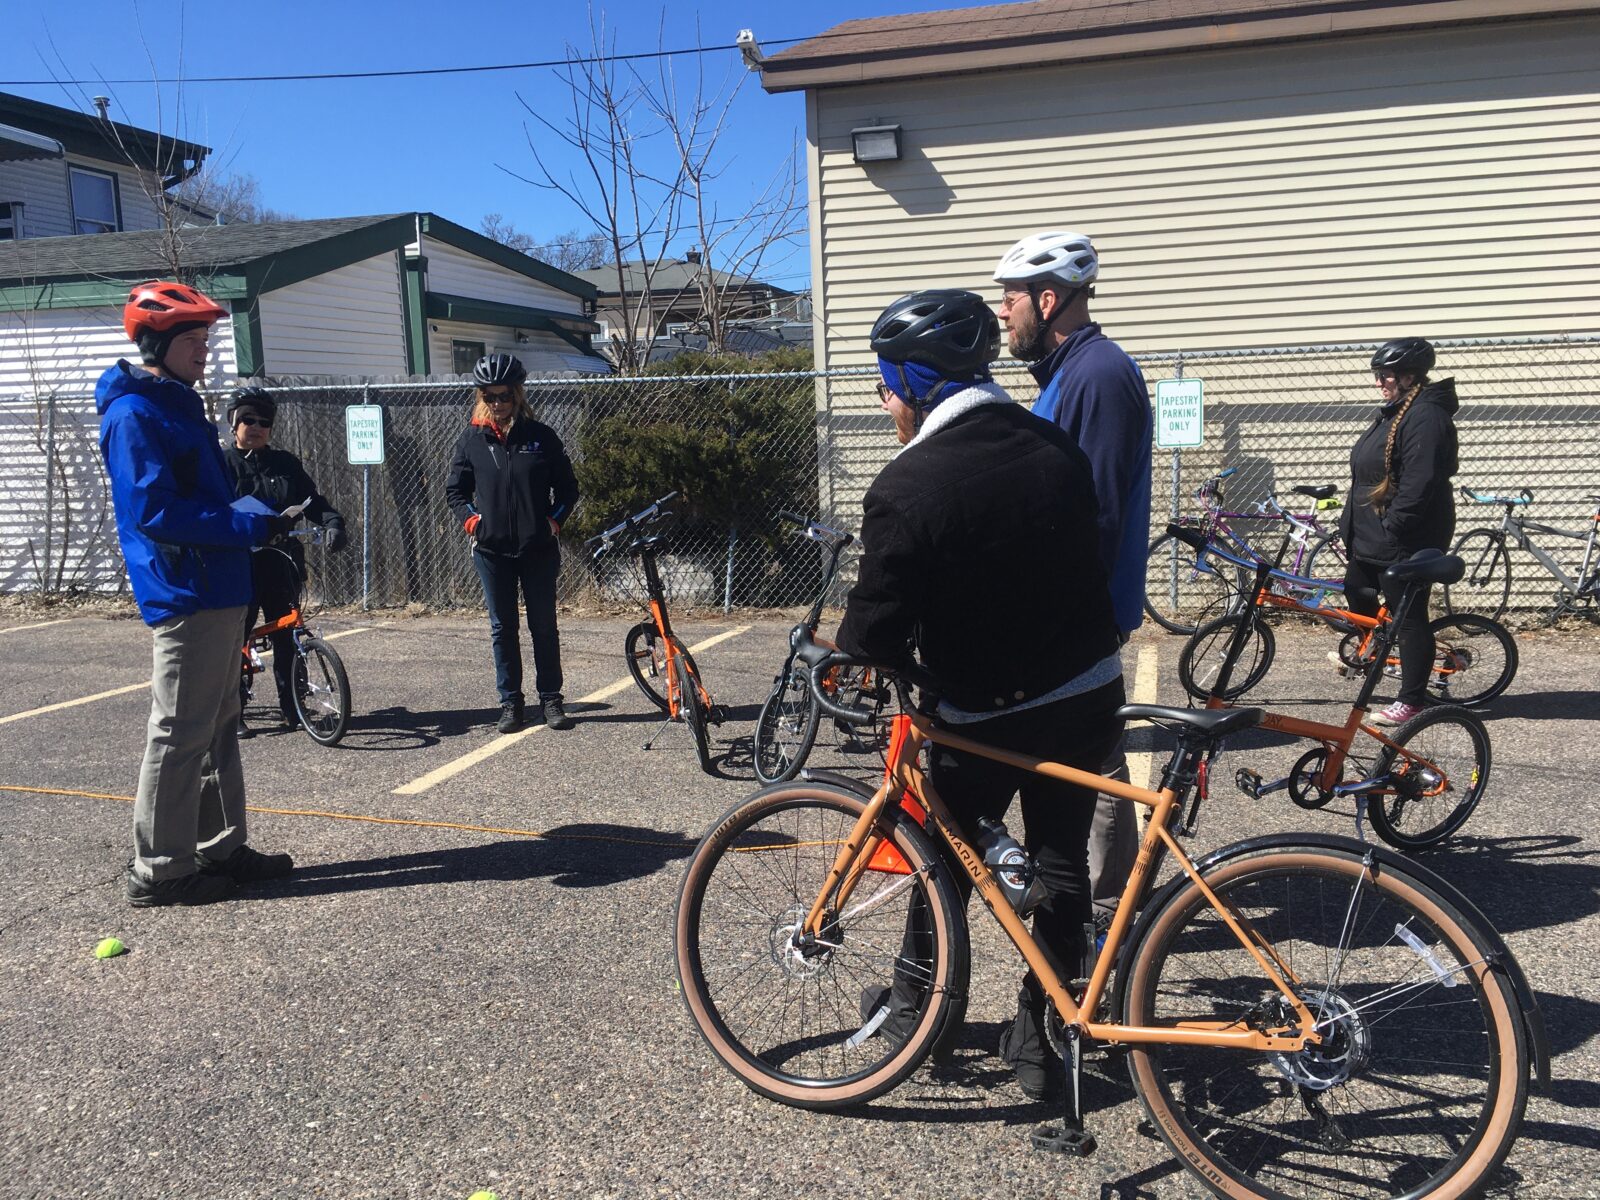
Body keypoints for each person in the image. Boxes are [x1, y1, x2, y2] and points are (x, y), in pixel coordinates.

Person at [835, 290, 1126, 1100]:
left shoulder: (909, 484)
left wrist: (844, 658)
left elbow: (876, 634)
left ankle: (911, 1022)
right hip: (1087, 689)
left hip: (990, 709)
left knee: (939, 857)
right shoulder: (1052, 444)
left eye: (885, 386)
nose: (885, 403)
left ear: (914, 386)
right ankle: (1042, 1041)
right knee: (1063, 862)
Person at [97, 281, 295, 907]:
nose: (205, 350)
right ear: (158, 341)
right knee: (179, 732)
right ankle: (160, 869)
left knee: (217, 727)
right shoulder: (135, 415)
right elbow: (154, 510)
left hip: (219, 585)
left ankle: (219, 848)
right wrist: (244, 524)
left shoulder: (178, 405)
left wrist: (250, 513)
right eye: (194, 339)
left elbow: (199, 500)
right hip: (186, 593)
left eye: (206, 339)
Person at [993, 231, 1151, 922]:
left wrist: (1054, 615)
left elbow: (1095, 513)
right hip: (1071, 610)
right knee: (1087, 757)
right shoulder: (1069, 373)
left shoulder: (1095, 376)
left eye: (1010, 298)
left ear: (1048, 299)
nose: (1003, 312)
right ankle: (1106, 904)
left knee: (1096, 763)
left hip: (1078, 614)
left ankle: (1111, 914)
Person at [446, 353, 579, 734]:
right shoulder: (472, 439)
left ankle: (551, 699)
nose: (498, 404)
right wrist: (473, 522)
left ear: (518, 395)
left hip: (537, 549)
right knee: (502, 629)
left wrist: (553, 522)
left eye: (504, 396)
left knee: (544, 626)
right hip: (492, 552)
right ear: (481, 397)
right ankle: (511, 703)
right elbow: (455, 491)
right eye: (490, 397)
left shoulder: (542, 437)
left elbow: (569, 488)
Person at [1337, 337, 1459, 725]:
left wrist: (1394, 527)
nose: (1379, 382)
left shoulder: (1426, 416)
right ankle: (1383, 655)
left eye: (1384, 375)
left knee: (1409, 616)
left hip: (1408, 537)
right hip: (1372, 535)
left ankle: (1412, 699)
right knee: (1356, 591)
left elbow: (1420, 482)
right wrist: (1352, 527)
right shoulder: (1393, 412)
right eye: (1378, 375)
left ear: (1409, 376)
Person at [222, 385, 349, 729]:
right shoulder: (220, 465)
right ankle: (231, 708)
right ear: (233, 423)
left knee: (287, 635)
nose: (257, 426)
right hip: (239, 563)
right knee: (235, 636)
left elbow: (313, 501)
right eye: (248, 419)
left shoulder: (284, 463)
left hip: (281, 559)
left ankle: (292, 705)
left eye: (265, 421)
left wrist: (334, 523)